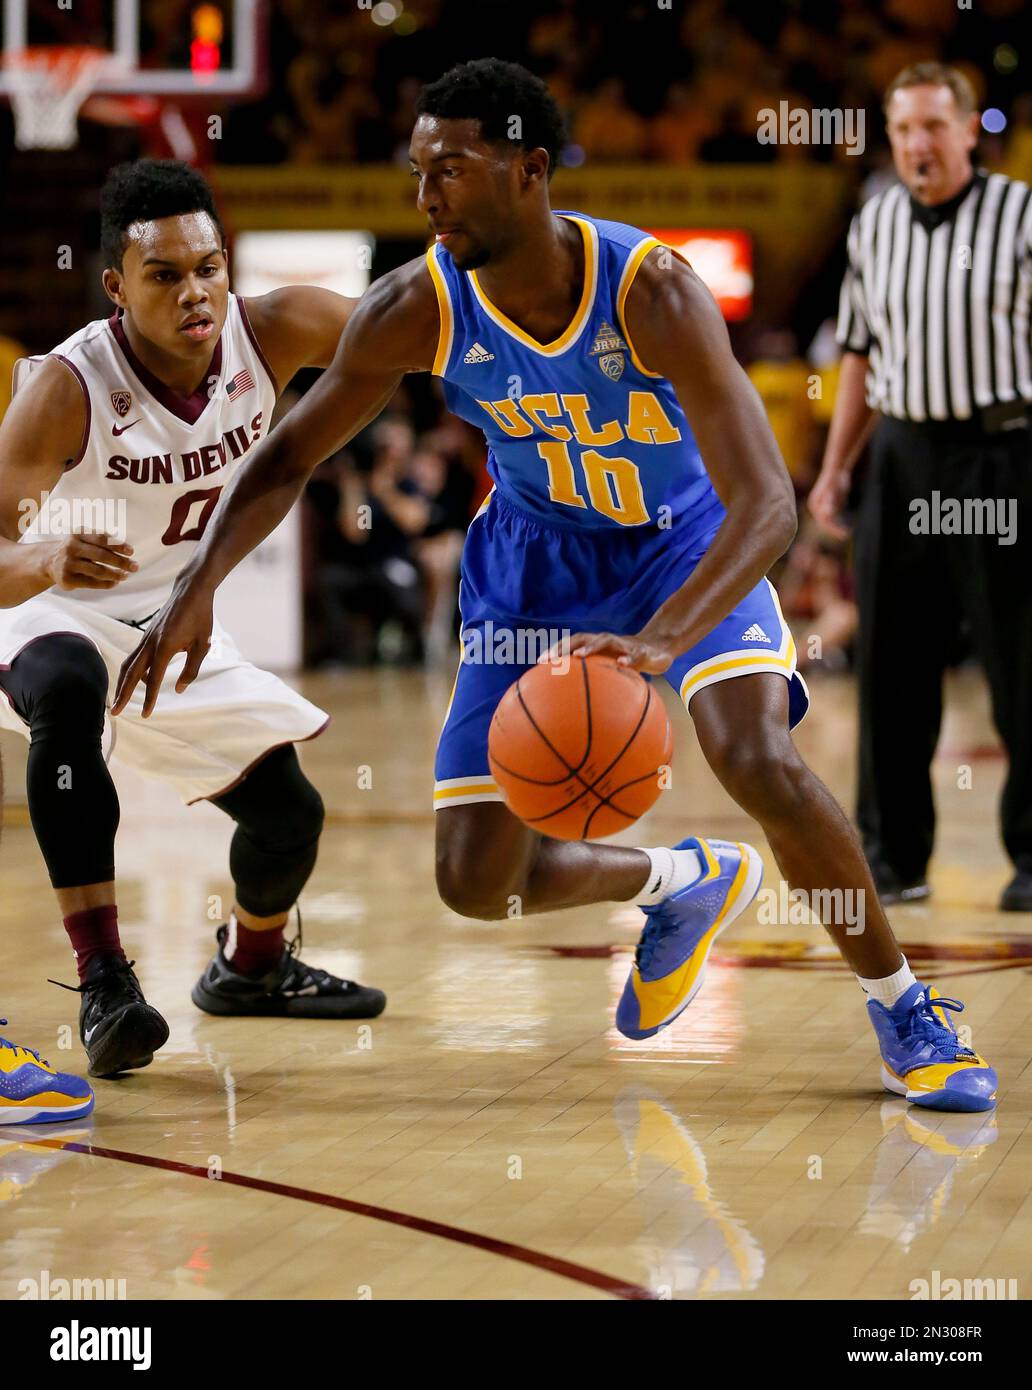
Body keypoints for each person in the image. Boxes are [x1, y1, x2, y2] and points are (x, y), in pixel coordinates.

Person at [117, 62, 996, 1114]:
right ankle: (681, 880)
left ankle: (905, 1007)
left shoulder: (653, 291)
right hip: (532, 565)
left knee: (754, 749)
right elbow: (288, 456)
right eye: (417, 170)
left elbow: (769, 504)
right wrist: (199, 584)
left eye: (451, 167)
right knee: (472, 877)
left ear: (530, 171)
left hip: (684, 540)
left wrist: (665, 642)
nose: (426, 193)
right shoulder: (417, 305)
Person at [0, 159, 385, 1081]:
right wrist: (46, 556)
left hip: (174, 615)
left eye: (207, 267)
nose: (194, 292)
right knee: (66, 690)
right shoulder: (64, 388)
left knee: (291, 817)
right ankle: (105, 982)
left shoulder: (279, 326)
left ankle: (251, 968)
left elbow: (416, 331)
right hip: (50, 604)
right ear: (115, 287)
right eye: (164, 275)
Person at [810, 62, 1032, 910]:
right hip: (902, 458)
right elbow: (860, 354)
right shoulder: (872, 225)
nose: (917, 145)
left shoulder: (1019, 215)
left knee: (1021, 663)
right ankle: (891, 858)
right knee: (892, 664)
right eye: (903, 130)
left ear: (970, 131)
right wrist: (836, 468)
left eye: (934, 127)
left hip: (1001, 453)